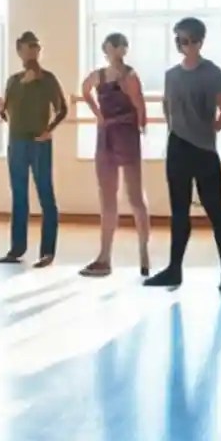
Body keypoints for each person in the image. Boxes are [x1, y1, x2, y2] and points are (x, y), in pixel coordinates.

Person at [144, 18, 221, 292]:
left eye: (185, 40)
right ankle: (174, 270)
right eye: (178, 40)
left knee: (216, 210)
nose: (181, 45)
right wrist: (176, 130)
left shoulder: (212, 73)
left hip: (204, 150)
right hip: (177, 148)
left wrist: (212, 129)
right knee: (179, 211)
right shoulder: (171, 75)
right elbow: (166, 106)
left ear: (198, 42)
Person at [78, 33, 150, 277]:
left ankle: (143, 252)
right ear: (106, 49)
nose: (119, 50)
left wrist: (140, 127)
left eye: (122, 46)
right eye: (114, 46)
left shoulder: (129, 76)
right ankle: (104, 256)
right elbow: (85, 89)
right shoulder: (99, 75)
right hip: (106, 134)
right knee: (107, 195)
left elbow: (140, 105)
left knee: (135, 195)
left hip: (126, 134)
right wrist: (98, 114)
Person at [0, 32, 67, 266]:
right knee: (19, 195)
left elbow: (62, 109)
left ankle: (48, 250)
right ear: (19, 51)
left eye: (36, 48)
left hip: (39, 143)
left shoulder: (47, 79)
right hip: (17, 143)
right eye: (28, 48)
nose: (32, 52)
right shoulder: (13, 81)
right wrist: (18, 124)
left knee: (45, 193)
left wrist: (49, 129)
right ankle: (17, 248)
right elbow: (3, 110)